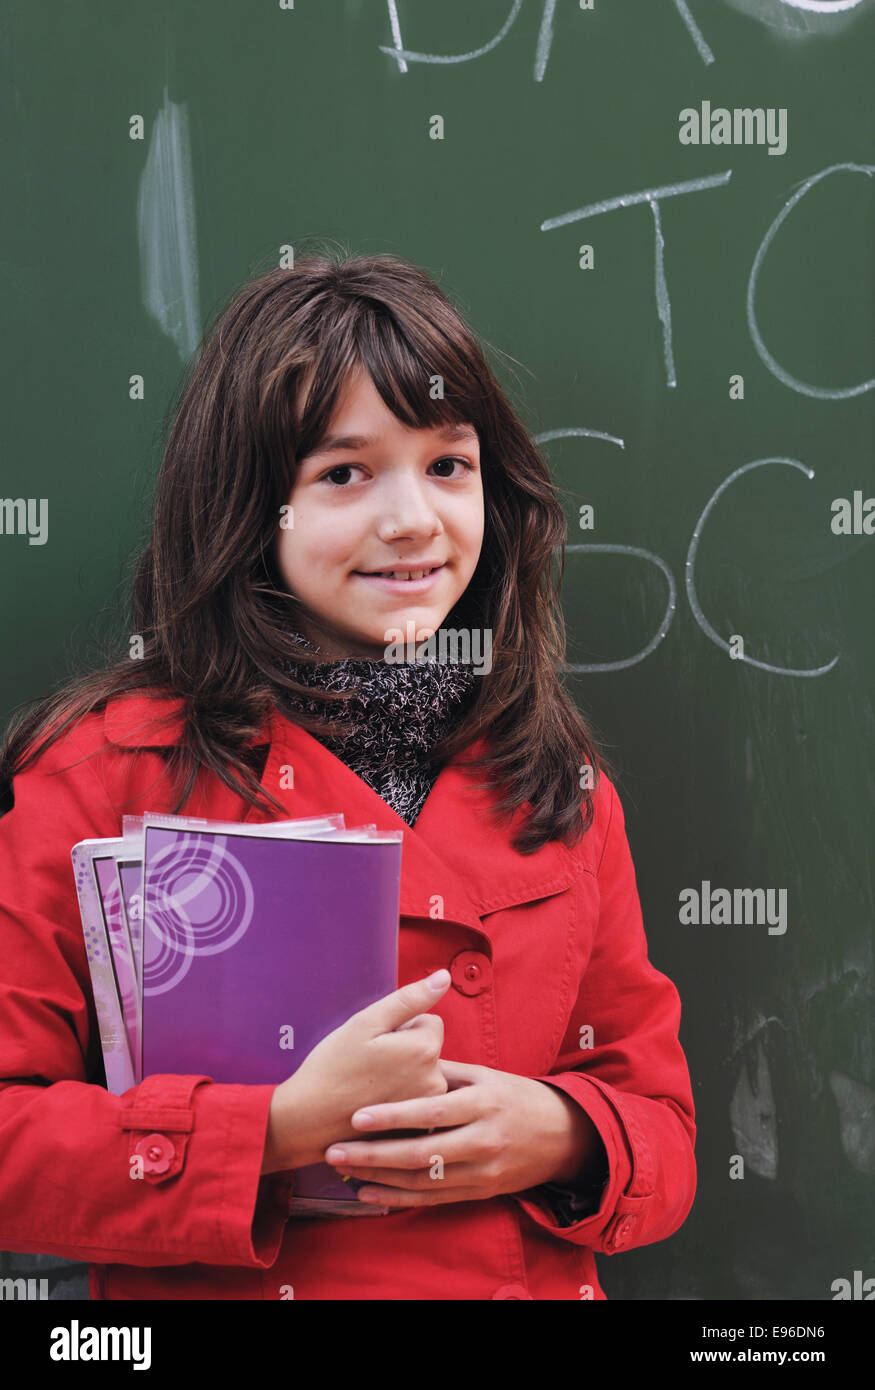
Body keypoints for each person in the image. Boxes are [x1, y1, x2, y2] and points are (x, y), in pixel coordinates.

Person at [0, 251, 696, 1300]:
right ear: (245, 507)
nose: (411, 519)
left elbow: (662, 1122)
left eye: (447, 465)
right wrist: (267, 1133)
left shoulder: (555, 776)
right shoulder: (105, 772)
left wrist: (559, 1133)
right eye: (343, 473)